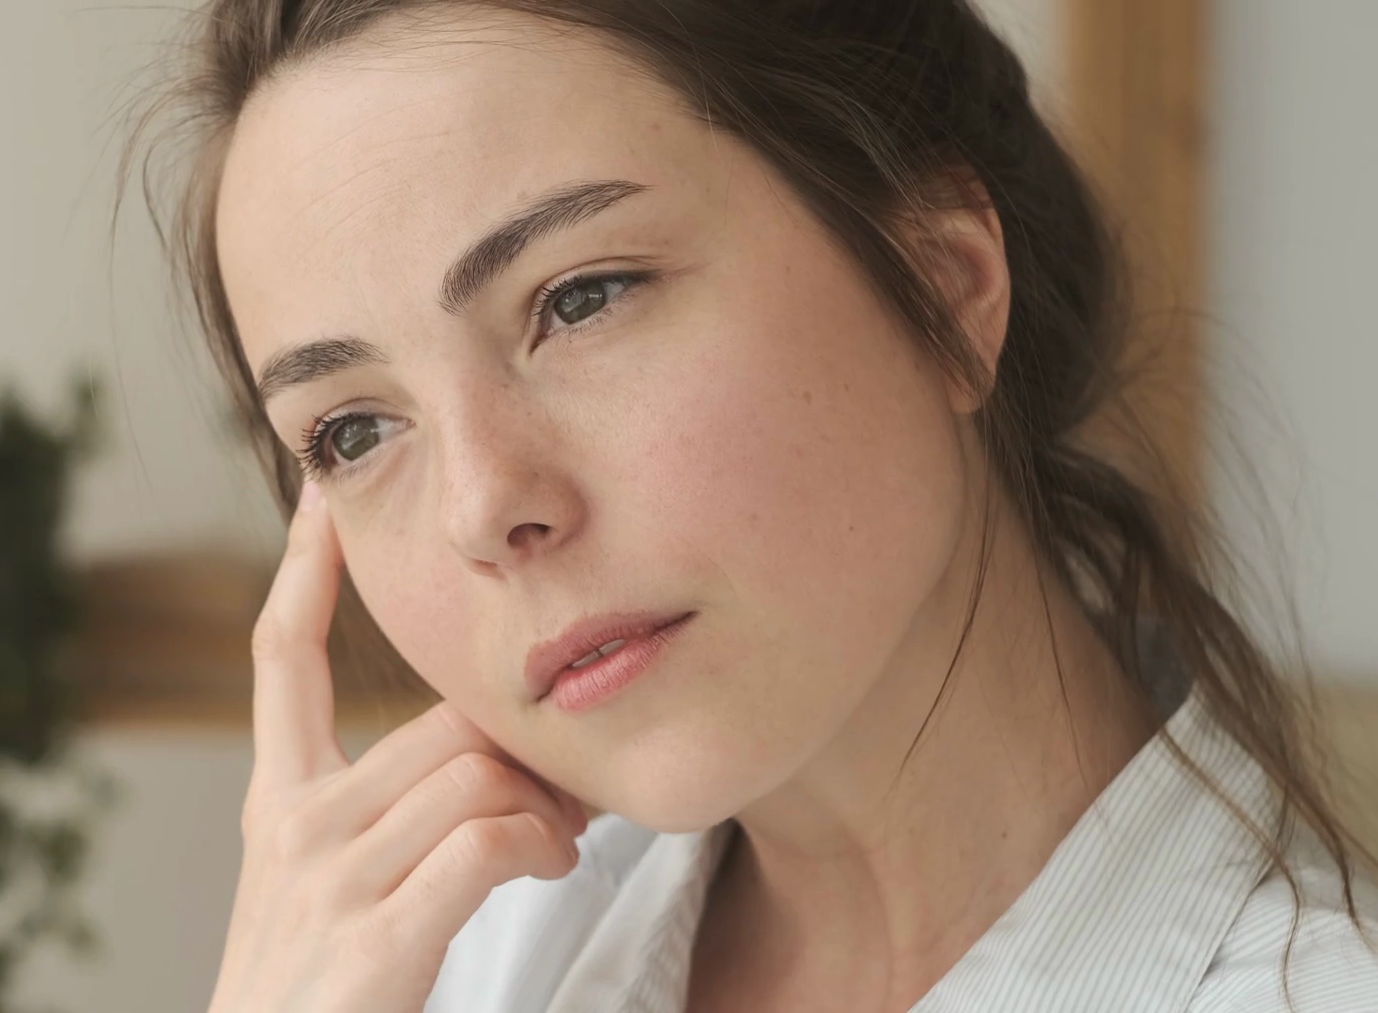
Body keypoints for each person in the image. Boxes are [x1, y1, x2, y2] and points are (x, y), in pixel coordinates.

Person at [130, 1, 1378, 1010]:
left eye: (582, 298)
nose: (480, 506)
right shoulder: (453, 960)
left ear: (944, 288)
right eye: (352, 430)